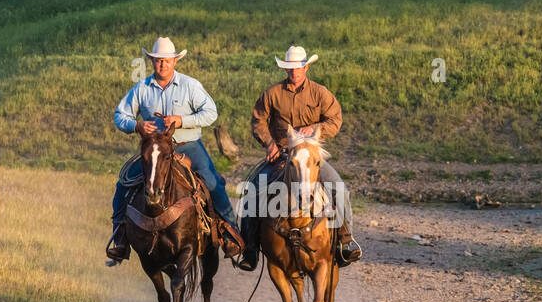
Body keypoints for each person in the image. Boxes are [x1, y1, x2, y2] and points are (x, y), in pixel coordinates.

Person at [106, 37, 244, 264]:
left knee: (212, 182)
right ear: (152, 62)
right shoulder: (141, 88)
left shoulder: (190, 85)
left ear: (174, 61)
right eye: (158, 61)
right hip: (155, 150)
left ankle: (230, 231)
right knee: (124, 183)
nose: (162, 65)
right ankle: (120, 237)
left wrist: (182, 120)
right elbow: (120, 115)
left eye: (167, 61)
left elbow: (211, 113)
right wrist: (137, 125)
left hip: (187, 145)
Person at [235, 45, 362, 271]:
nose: (294, 71)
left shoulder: (320, 93)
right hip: (282, 155)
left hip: (311, 156)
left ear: (306, 67)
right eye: (290, 68)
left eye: (298, 67)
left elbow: (335, 120)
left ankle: (345, 240)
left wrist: (315, 127)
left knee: (338, 187)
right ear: (286, 69)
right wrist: (269, 143)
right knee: (253, 190)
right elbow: (258, 120)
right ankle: (251, 248)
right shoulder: (272, 94)